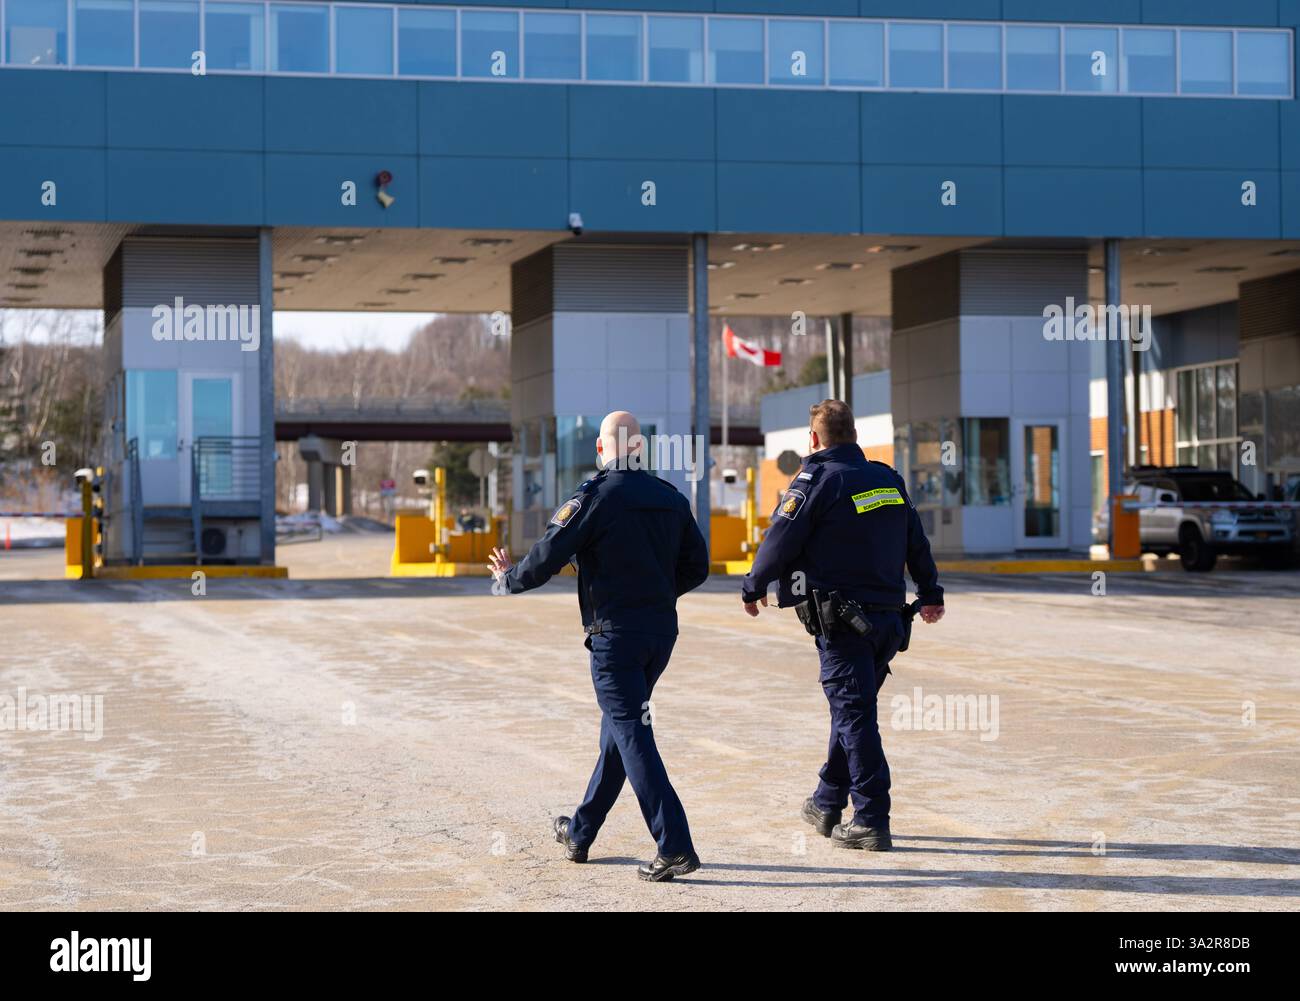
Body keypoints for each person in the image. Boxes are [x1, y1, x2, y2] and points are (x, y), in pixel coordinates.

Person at [487, 411, 709, 881]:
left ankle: (674, 845)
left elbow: (547, 556)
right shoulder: (670, 498)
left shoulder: (595, 496)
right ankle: (581, 832)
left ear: (603, 450)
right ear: (640, 449)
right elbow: (698, 566)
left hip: (615, 638)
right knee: (620, 734)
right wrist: (656, 594)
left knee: (631, 733)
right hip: (659, 635)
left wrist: (508, 579)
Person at [740, 399, 945, 852]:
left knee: (855, 718)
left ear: (814, 439)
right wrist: (930, 593)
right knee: (851, 710)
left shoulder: (817, 481)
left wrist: (754, 586)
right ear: (854, 435)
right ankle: (827, 800)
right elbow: (917, 540)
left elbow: (779, 540)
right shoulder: (887, 479)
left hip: (843, 623)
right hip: (889, 624)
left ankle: (871, 816)